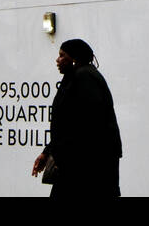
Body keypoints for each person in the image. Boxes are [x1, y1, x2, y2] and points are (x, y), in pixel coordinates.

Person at [31, 38, 122, 196]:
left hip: (87, 168)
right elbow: (67, 124)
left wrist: (63, 156)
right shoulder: (76, 77)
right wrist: (48, 152)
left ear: (74, 59)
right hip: (79, 165)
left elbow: (86, 124)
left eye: (62, 55)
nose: (57, 60)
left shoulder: (85, 78)